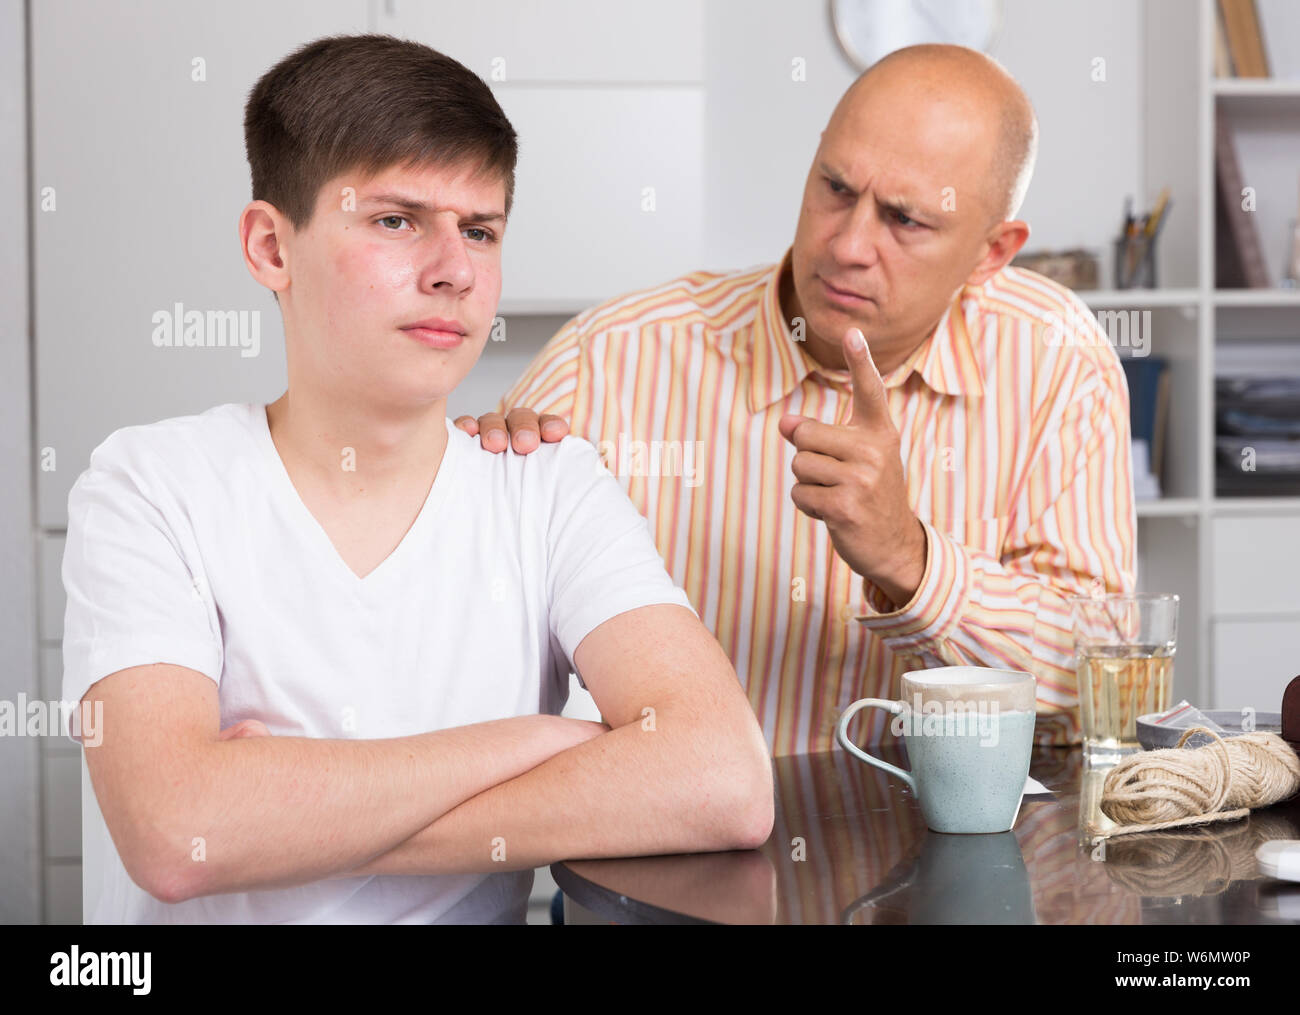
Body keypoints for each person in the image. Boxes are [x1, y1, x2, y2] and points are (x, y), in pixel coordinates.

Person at [61, 33, 772, 924]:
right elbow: (176, 831)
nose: (455, 271)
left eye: (480, 230)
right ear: (271, 249)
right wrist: (541, 742)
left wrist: (284, 815)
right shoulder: (149, 487)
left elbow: (723, 778)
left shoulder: (550, 485)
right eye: (396, 220)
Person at [458, 44, 1137, 754]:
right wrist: (467, 494)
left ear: (992, 253)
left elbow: (1108, 675)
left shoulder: (1059, 360)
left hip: (962, 847)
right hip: (683, 844)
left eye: (905, 219)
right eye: (837, 189)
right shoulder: (611, 357)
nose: (848, 245)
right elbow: (466, 632)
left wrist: (912, 561)